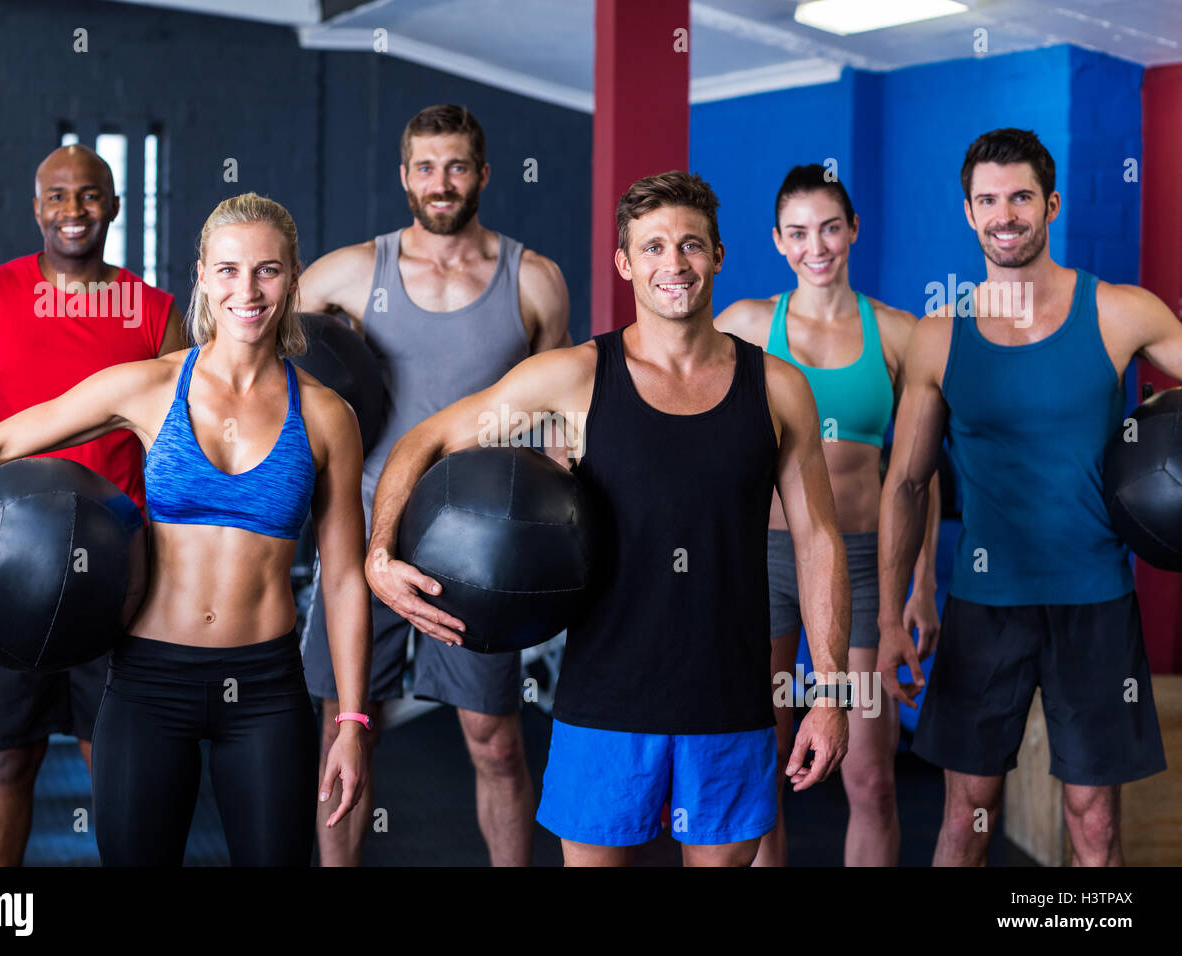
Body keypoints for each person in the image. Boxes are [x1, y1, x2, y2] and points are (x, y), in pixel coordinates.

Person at [365, 170, 851, 866]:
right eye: (652, 248)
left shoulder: (778, 388)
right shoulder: (576, 377)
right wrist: (379, 556)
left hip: (731, 702)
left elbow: (818, 539)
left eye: (690, 245)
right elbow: (427, 439)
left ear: (718, 255)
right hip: (605, 704)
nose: (673, 264)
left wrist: (829, 690)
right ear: (625, 263)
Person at [0, 192, 371, 866]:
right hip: (151, 680)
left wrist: (352, 722)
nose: (249, 288)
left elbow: (346, 578)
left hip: (266, 688)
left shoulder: (327, 416)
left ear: (294, 279)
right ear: (204, 277)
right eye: (230, 269)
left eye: (268, 270)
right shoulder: (148, 388)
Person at [879, 128, 1179, 866]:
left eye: (1019, 197)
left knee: (1093, 821)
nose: (1004, 214)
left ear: (1050, 204)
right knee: (967, 813)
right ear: (967, 213)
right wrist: (890, 616)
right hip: (987, 603)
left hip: (1095, 600)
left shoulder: (1120, 313)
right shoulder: (939, 336)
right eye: (988, 200)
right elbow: (908, 484)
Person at [0, 144, 186, 866]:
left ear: (112, 206)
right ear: (36, 207)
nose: (72, 210)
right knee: (5, 761)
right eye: (57, 195)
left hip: (117, 578)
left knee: (115, 767)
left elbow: (188, 450)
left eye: (88, 196)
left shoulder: (157, 314)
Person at [295, 104, 571, 866]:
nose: (440, 182)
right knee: (348, 729)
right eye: (425, 167)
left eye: (456, 166)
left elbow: (555, 413)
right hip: (363, 534)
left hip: (479, 548)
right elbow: (264, 357)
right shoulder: (351, 273)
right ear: (405, 177)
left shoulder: (535, 280)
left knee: (495, 740)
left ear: (482, 174)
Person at [715, 164, 941, 866]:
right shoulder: (747, 324)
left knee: (869, 776)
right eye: (799, 232)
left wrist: (922, 587)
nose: (817, 246)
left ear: (853, 230)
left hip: (869, 568)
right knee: (765, 769)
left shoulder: (899, 334)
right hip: (767, 564)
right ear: (778, 241)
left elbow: (919, 477)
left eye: (831, 228)